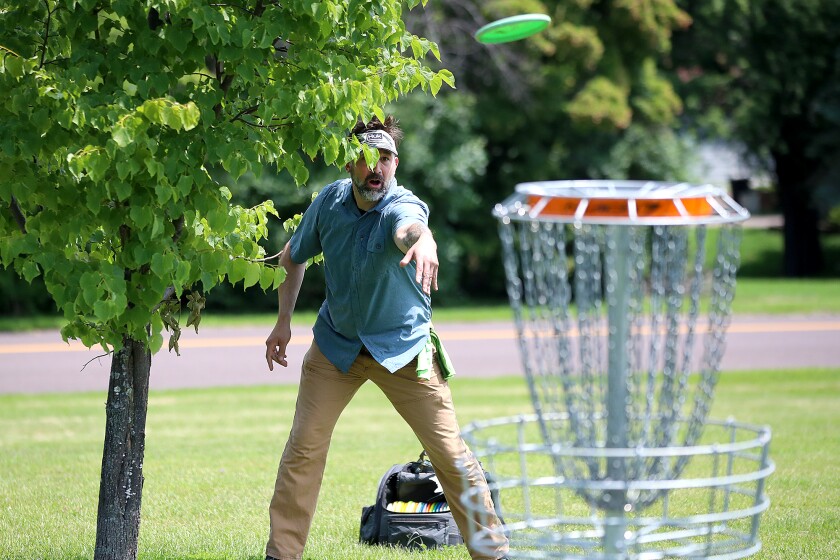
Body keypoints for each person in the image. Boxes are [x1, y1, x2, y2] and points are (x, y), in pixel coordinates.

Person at [262, 116, 509, 560]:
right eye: (365, 156)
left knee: (451, 456)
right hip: (335, 347)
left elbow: (408, 228)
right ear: (351, 163)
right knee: (303, 450)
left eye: (386, 158)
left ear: (396, 165)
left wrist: (424, 240)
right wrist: (283, 322)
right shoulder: (328, 202)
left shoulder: (404, 206)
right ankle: (281, 554)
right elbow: (292, 256)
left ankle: (494, 554)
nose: (375, 166)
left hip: (403, 351)